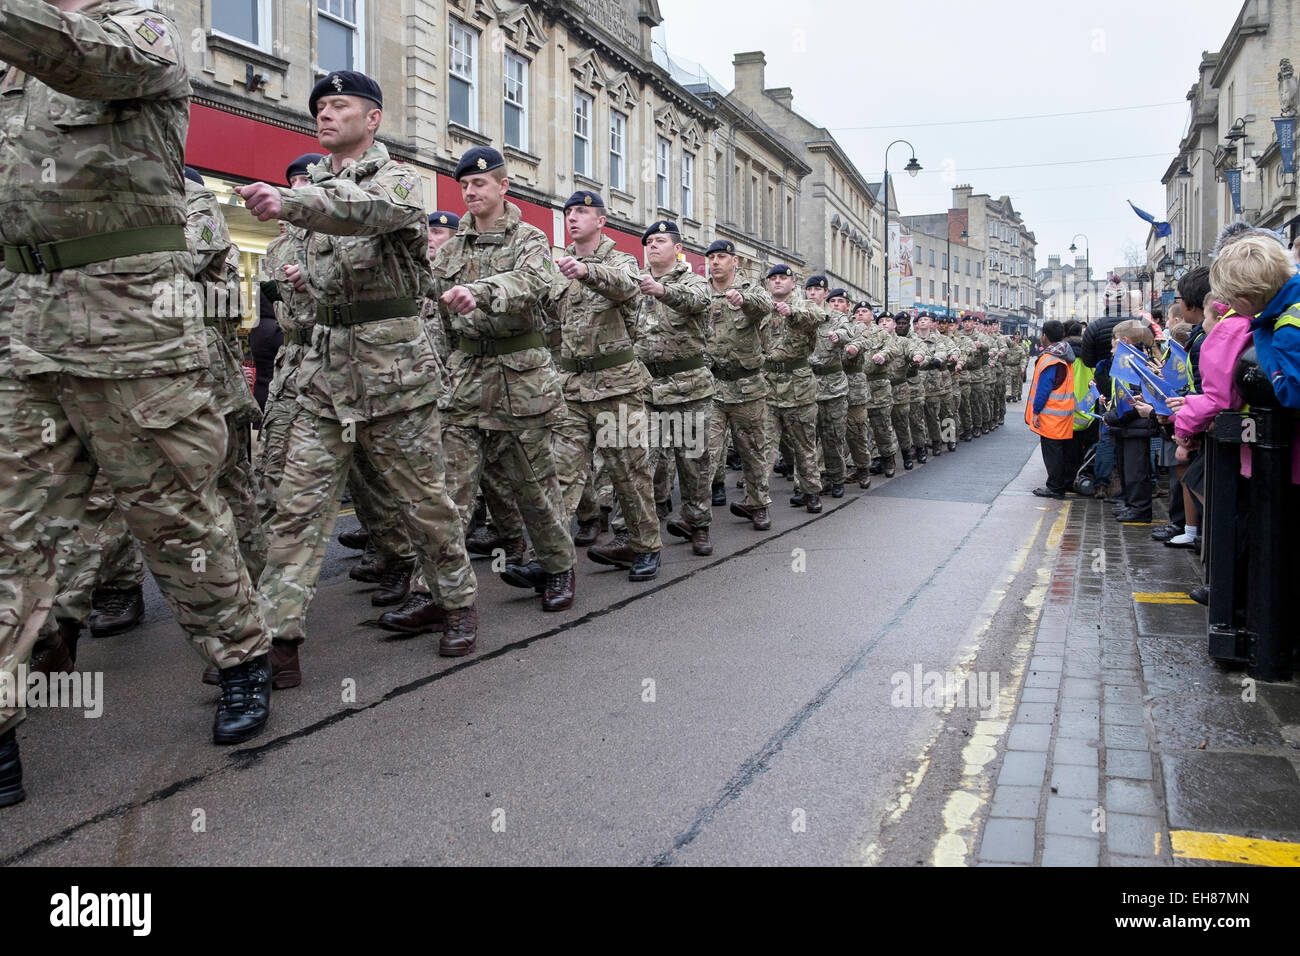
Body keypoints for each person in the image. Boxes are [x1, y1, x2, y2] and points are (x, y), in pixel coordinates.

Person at [1, 0, 275, 809]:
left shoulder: (143, 33)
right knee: (10, 526)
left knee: (173, 514)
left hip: (131, 326)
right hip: (19, 322)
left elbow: (84, 57)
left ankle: (240, 656)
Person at [237, 71, 480, 656]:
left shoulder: (398, 181)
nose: (324, 113)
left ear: (372, 118)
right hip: (324, 374)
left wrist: (293, 202)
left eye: (338, 105)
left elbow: (363, 213)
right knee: (297, 510)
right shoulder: (316, 183)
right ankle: (277, 645)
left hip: (393, 370)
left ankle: (456, 603)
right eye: (319, 106)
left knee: (424, 504)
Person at [545, 191, 662, 580]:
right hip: (572, 389)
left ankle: (644, 545)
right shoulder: (558, 267)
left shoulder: (621, 260)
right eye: (569, 212)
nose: (573, 218)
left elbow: (628, 285)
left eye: (581, 212)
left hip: (618, 388)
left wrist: (587, 272)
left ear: (601, 221)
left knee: (628, 473)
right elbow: (550, 326)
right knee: (559, 474)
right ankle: (550, 561)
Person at [630, 221, 715, 554]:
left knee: (693, 463)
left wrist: (661, 290)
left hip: (688, 388)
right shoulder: (634, 281)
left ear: (677, 248)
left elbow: (697, 301)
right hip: (646, 388)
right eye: (648, 240)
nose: (652, 245)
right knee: (638, 461)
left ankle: (698, 524)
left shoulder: (694, 280)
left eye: (660, 240)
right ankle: (635, 535)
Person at [702, 239, 775, 530]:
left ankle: (758, 505)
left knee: (752, 452)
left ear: (735, 261)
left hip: (747, 388)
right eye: (712, 257)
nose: (716, 261)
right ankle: (696, 516)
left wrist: (742, 300)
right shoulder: (701, 292)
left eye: (722, 256)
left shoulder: (750, 290)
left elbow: (764, 305)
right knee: (704, 452)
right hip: (712, 387)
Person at [762, 265, 823, 510]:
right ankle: (756, 498)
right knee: (763, 444)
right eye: (773, 278)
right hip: (767, 386)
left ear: (793, 283)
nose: (777, 282)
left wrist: (792, 312)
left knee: (804, 445)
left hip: (798, 387)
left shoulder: (805, 305)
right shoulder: (762, 308)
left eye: (783, 278)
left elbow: (816, 317)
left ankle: (810, 491)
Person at [1027, 321, 1076, 498]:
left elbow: (1044, 389)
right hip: (1064, 412)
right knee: (1062, 451)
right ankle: (1061, 483)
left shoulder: (1049, 359)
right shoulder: (1064, 354)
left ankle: (1055, 487)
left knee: (1052, 452)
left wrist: (1036, 411)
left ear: (1044, 336)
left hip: (1051, 414)